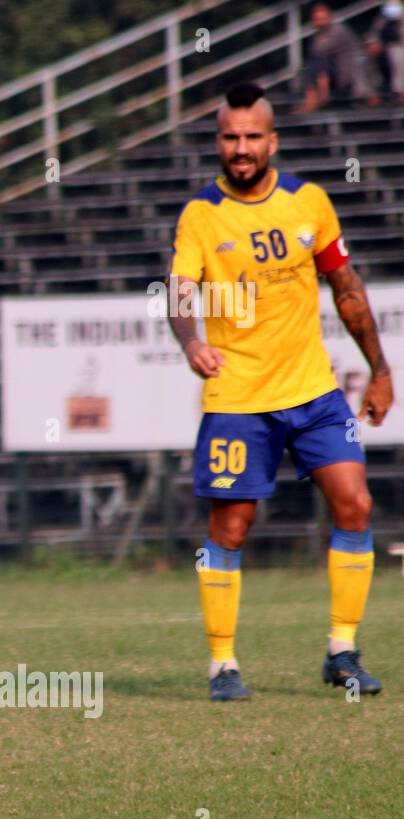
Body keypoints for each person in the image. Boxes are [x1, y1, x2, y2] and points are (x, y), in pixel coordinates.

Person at [166, 83, 392, 701]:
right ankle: (222, 666)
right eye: (229, 138)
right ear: (219, 143)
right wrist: (190, 342)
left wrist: (379, 369)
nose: (240, 149)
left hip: (314, 393)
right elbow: (181, 295)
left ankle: (342, 652)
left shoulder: (309, 203)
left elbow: (346, 288)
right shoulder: (201, 215)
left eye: (251, 137)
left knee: (356, 505)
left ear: (272, 141)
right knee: (232, 529)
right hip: (237, 398)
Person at [300, 4, 377, 111]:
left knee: (318, 62)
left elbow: (319, 50)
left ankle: (318, 98)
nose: (320, 22)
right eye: (317, 19)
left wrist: (318, 34)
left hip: (347, 75)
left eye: (322, 19)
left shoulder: (338, 31)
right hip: (331, 73)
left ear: (329, 18)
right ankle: (315, 97)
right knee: (312, 64)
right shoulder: (319, 35)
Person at [366, 2, 404, 102]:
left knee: (397, 53)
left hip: (399, 51)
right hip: (387, 54)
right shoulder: (384, 18)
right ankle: (373, 93)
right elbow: (373, 35)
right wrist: (374, 43)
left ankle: (400, 92)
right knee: (365, 58)